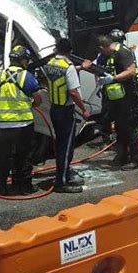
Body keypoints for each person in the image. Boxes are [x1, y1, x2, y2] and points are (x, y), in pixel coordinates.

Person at [0, 44, 42, 195]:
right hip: (22, 124)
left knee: (2, 157)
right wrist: (30, 103)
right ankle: (23, 186)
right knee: (23, 156)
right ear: (23, 60)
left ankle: (1, 186)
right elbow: (38, 98)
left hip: (2, 125)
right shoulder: (26, 76)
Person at [43, 37, 89, 194]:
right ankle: (61, 182)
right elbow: (73, 91)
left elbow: (60, 77)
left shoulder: (51, 64)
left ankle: (64, 174)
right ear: (70, 51)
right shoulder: (68, 67)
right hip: (65, 111)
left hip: (54, 109)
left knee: (61, 144)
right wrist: (83, 109)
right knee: (66, 146)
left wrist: (79, 68)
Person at [95, 34, 138, 167]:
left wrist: (113, 79)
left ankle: (135, 159)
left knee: (129, 126)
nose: (100, 54)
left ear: (102, 47)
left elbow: (131, 71)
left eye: (100, 51)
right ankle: (123, 156)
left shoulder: (122, 52)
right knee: (120, 126)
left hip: (130, 96)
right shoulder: (112, 54)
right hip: (119, 98)